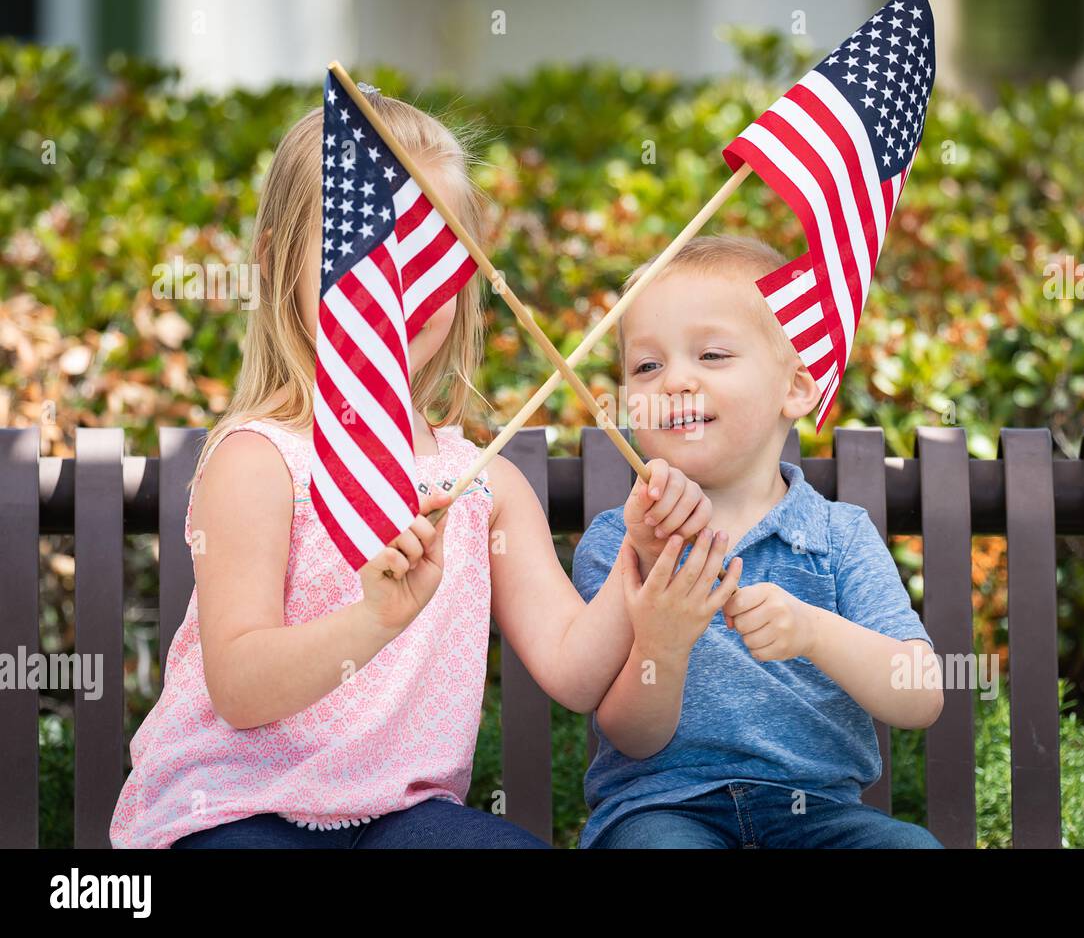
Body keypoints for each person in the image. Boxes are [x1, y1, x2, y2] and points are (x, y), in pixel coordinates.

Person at [109, 94, 711, 848]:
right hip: (235, 808)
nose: (399, 279)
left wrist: (642, 558)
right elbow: (238, 689)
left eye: (434, 250)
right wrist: (371, 622)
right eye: (365, 247)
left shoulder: (484, 484)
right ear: (276, 265)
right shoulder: (260, 460)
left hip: (406, 817)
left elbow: (574, 669)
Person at [571, 235, 945, 849]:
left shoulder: (838, 536)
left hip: (821, 817)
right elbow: (630, 737)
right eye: (646, 366)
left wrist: (815, 633)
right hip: (665, 812)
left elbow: (919, 694)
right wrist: (661, 647)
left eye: (712, 355)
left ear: (796, 388)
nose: (676, 381)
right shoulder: (623, 544)